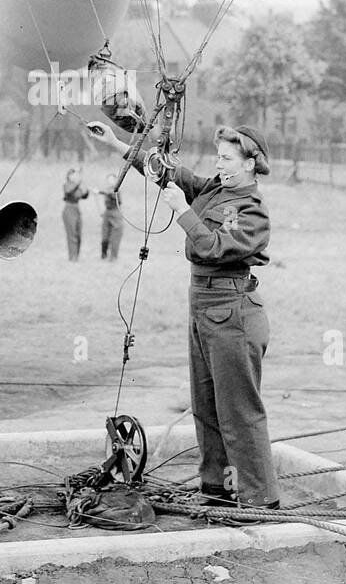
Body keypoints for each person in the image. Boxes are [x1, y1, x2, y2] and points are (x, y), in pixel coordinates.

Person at [89, 121, 280, 512]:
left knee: (238, 412)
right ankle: (218, 490)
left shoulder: (252, 210)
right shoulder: (216, 189)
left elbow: (212, 247)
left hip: (234, 314)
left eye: (227, 158)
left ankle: (260, 500)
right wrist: (118, 145)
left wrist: (181, 211)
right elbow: (173, 173)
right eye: (218, 157)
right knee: (206, 406)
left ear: (250, 163)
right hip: (205, 306)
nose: (219, 164)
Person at [62, 167, 89, 261]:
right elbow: (69, 191)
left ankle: (76, 256)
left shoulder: (77, 186)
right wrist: (78, 182)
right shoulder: (67, 185)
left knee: (78, 235)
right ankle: (72, 257)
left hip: (77, 210)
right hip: (69, 209)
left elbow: (85, 195)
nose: (74, 176)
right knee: (72, 234)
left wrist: (83, 182)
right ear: (69, 176)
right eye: (72, 174)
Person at [99, 175, 123, 261]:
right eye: (108, 180)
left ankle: (113, 256)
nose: (110, 182)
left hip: (115, 212)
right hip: (107, 212)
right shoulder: (107, 189)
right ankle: (103, 254)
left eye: (112, 180)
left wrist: (99, 192)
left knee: (115, 236)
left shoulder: (116, 190)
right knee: (104, 235)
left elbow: (111, 194)